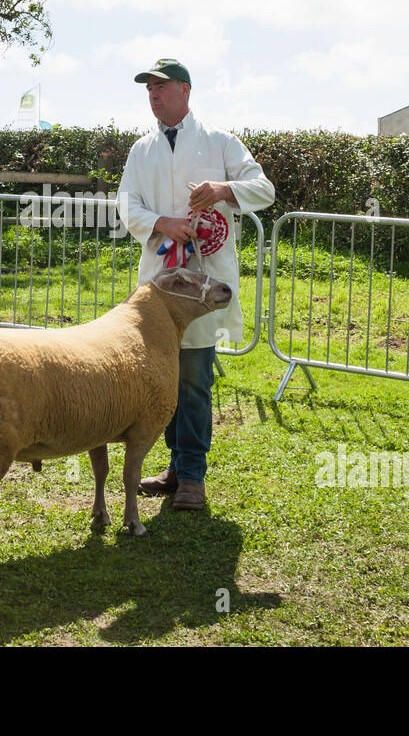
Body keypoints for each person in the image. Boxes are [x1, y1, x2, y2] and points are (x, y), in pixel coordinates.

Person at [117, 59, 275, 511]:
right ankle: (174, 466)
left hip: (202, 284)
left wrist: (224, 190)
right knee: (163, 377)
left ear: (185, 90)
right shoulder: (140, 149)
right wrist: (160, 223)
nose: (153, 94)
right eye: (149, 88)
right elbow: (126, 203)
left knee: (194, 379)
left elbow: (263, 189)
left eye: (161, 86)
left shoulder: (221, 142)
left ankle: (192, 476)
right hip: (159, 284)